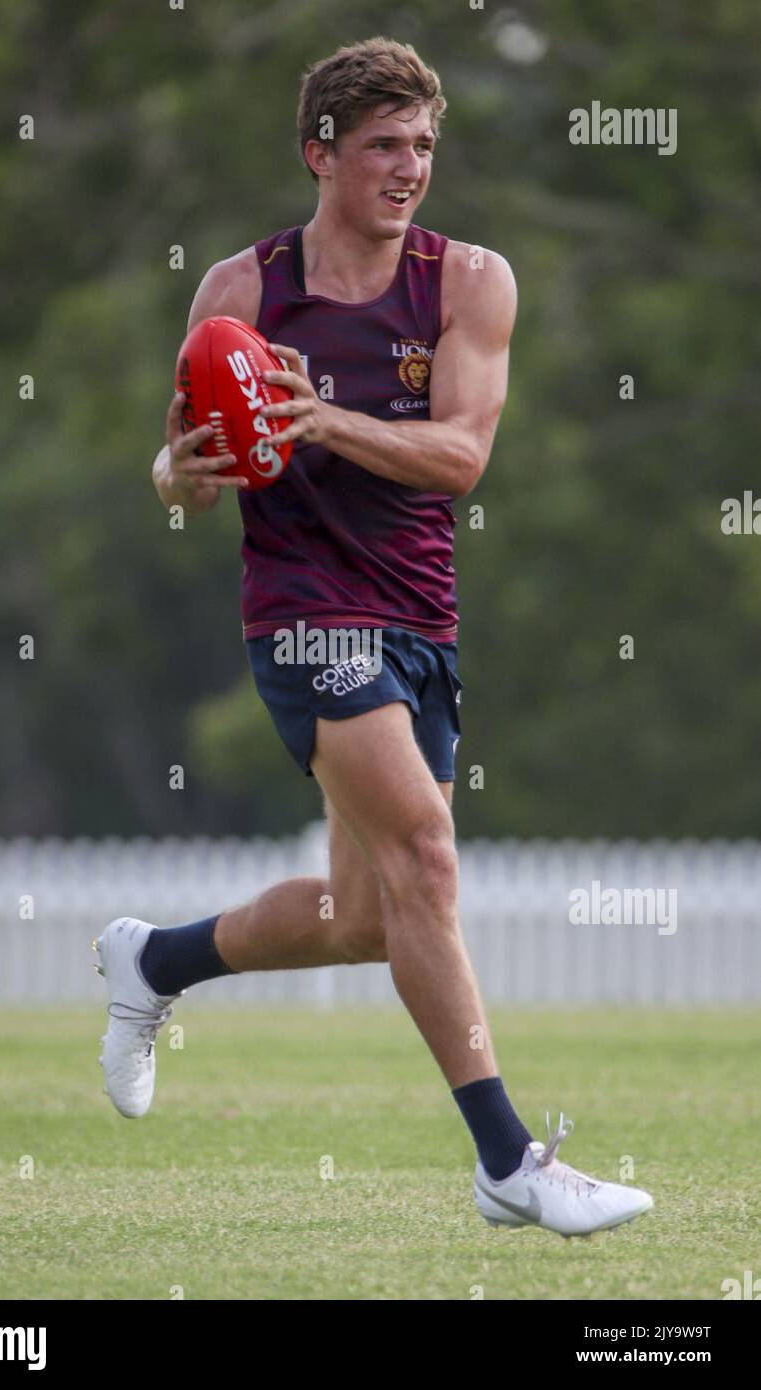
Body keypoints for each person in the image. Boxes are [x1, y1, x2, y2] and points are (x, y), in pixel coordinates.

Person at [94, 37, 652, 1238]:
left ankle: (154, 962)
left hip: (417, 615)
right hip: (300, 612)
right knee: (429, 862)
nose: (409, 169)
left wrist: (321, 417)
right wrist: (175, 476)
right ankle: (508, 1160)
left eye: (423, 147)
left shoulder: (470, 283)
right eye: (383, 146)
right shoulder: (240, 293)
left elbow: (459, 457)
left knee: (366, 916)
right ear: (320, 153)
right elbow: (183, 464)